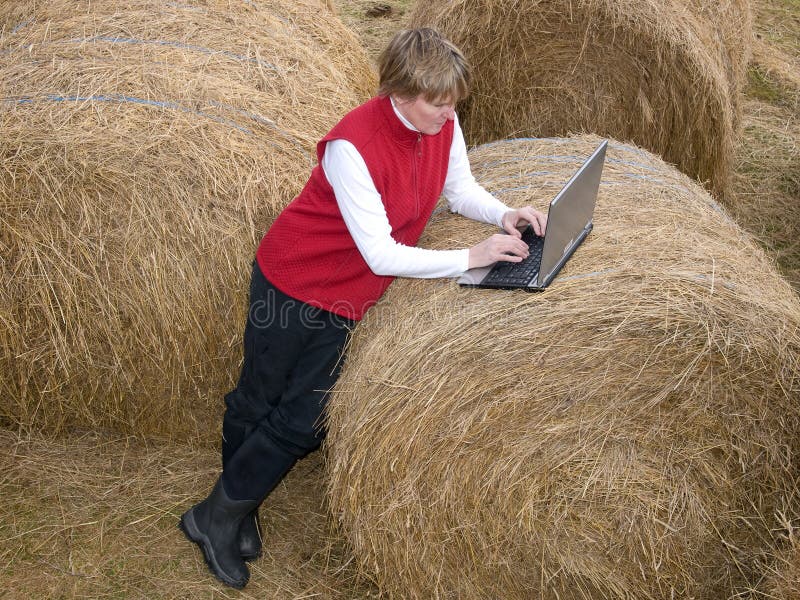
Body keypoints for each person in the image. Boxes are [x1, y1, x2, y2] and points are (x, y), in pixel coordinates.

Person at [179, 27, 547, 589]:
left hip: (349, 293)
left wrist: (503, 214)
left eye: (453, 103)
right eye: (438, 104)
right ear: (400, 93)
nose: (449, 115)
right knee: (260, 395)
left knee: (305, 418)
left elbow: (460, 188)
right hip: (293, 282)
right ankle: (226, 513)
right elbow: (379, 253)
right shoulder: (354, 145)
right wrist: (470, 256)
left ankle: (222, 510)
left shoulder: (442, 121)